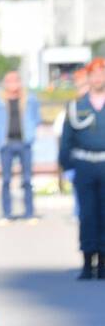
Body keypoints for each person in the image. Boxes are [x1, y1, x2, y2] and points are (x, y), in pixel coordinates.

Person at [58, 57, 105, 279]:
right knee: (87, 214)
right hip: (84, 165)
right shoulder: (77, 106)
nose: (98, 78)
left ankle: (103, 263)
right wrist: (66, 166)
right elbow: (67, 139)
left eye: (102, 74)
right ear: (89, 78)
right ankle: (88, 261)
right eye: (94, 74)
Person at [0, 70, 40, 225]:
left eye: (15, 80)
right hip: (7, 144)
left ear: (20, 82)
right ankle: (6, 214)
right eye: (9, 81)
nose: (13, 84)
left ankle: (29, 213)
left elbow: (36, 118)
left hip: (24, 143)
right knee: (6, 180)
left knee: (27, 179)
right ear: (5, 84)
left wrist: (31, 135)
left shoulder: (30, 100)